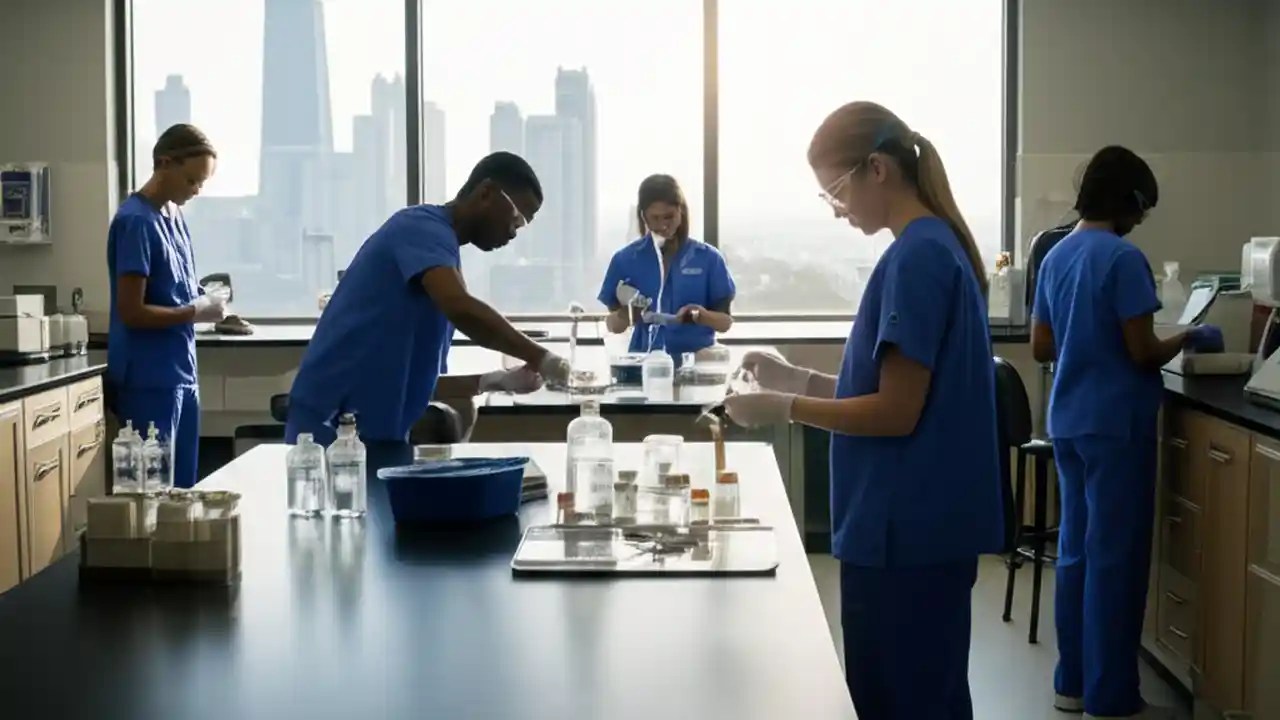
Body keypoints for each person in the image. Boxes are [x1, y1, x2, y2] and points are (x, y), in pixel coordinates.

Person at [720, 101, 1003, 720]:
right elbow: (882, 386)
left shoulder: (918, 257)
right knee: (922, 692)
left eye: (837, 192)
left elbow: (897, 413)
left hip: (905, 529)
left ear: (877, 169)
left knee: (902, 699)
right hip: (916, 526)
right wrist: (792, 374)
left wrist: (783, 406)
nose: (838, 209)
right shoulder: (929, 246)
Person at [1031, 146, 1222, 719]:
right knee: (1115, 560)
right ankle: (1111, 697)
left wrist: (1084, 341)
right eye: (1143, 208)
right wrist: (1187, 336)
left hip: (1067, 423)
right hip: (1115, 426)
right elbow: (1142, 352)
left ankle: (1073, 685)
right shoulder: (1122, 258)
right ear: (1129, 201)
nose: (1142, 220)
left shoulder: (1057, 255)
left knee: (1075, 555)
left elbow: (1042, 346)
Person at [285, 152, 571, 448]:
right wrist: (542, 358)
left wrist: (492, 381)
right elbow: (463, 309)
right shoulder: (420, 227)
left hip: (374, 437)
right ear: (486, 193)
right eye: (516, 218)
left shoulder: (442, 260)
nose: (513, 231)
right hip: (328, 431)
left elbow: (420, 383)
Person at [107, 123, 227, 489]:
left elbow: (180, 291)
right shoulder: (136, 223)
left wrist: (214, 311)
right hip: (148, 378)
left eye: (201, 184)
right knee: (151, 490)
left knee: (183, 488)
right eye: (191, 180)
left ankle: (183, 549)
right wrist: (194, 313)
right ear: (164, 163)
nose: (195, 191)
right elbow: (133, 311)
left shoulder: (174, 218)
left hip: (180, 373)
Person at [597, 174, 735, 361]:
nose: (663, 225)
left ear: (681, 212)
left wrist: (700, 316)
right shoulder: (625, 260)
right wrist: (627, 314)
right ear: (643, 217)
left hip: (696, 363)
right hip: (642, 363)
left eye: (669, 216)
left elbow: (725, 323)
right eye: (655, 218)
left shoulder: (709, 259)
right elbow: (613, 326)